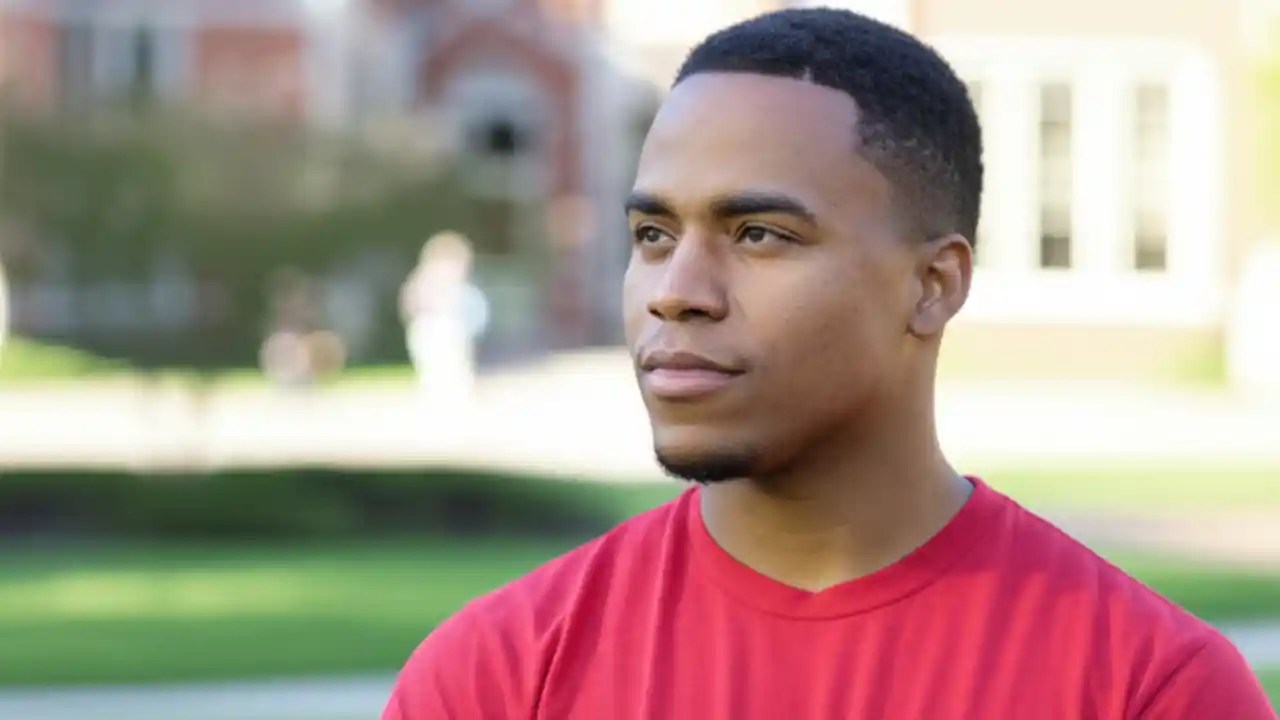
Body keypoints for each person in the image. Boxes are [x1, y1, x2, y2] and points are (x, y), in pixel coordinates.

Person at [383, 9, 1274, 719]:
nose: (676, 291)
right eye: (653, 235)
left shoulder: (1147, 688)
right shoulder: (499, 679)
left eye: (759, 234)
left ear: (933, 285)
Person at [399, 231, 489, 410]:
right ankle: (439, 398)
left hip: (450, 328)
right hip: (430, 326)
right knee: (434, 365)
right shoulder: (426, 281)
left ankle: (457, 398)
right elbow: (410, 302)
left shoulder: (458, 286)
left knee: (456, 364)